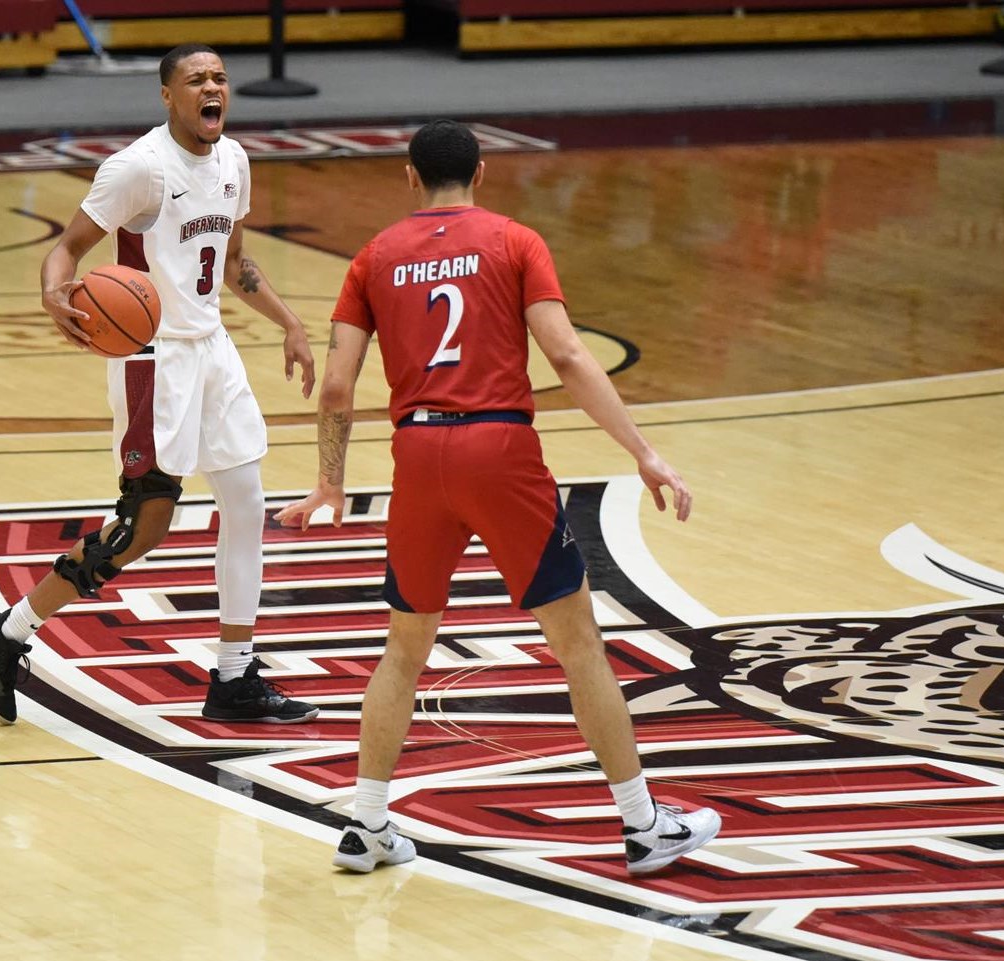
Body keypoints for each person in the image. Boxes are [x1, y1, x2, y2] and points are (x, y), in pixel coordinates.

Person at [276, 120, 722, 875]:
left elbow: (341, 386)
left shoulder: (373, 257)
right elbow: (566, 353)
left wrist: (329, 481)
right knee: (577, 642)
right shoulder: (515, 240)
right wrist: (642, 452)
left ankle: (366, 824)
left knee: (403, 649)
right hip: (498, 449)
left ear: (408, 179)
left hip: (417, 454)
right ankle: (643, 823)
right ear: (480, 173)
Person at [0, 44, 320, 728]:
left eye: (219, 77)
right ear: (166, 96)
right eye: (196, 80)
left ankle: (235, 676)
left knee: (245, 500)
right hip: (153, 358)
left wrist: (290, 322)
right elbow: (67, 248)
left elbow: (236, 261)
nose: (211, 88)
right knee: (143, 525)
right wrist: (51, 294)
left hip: (212, 349)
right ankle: (5, 631)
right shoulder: (138, 169)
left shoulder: (234, 161)